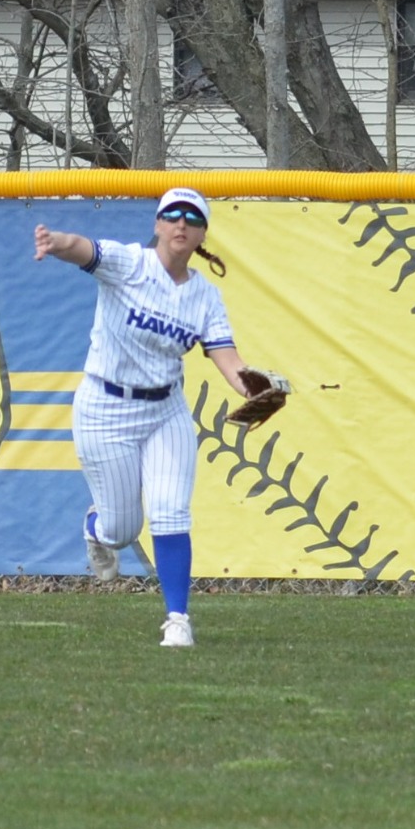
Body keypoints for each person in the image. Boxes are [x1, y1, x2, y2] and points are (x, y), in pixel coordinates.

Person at [35, 186, 258, 647]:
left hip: (165, 411)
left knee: (171, 512)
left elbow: (228, 358)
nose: (181, 224)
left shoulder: (205, 297)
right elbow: (85, 249)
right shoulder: (130, 264)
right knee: (121, 530)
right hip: (105, 408)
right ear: (158, 224)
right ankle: (95, 528)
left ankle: (177, 619)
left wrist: (255, 387)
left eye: (192, 218)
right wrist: (55, 242)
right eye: (172, 215)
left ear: (201, 234)